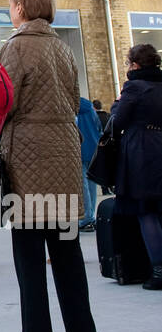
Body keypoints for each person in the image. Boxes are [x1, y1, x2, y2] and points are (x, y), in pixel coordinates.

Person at [0, 0, 97, 332]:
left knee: (29, 256)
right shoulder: (62, 48)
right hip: (64, 154)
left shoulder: (17, 47)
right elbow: (74, 102)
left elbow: (5, 103)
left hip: (27, 159)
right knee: (68, 252)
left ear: (20, 7)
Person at [109, 43, 162, 290]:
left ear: (135, 64)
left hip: (142, 153)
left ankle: (159, 271)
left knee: (146, 211)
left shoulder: (134, 87)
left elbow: (118, 121)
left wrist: (117, 104)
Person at [76, 97, 102, 233]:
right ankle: (90, 215)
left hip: (79, 148)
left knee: (82, 183)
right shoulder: (90, 108)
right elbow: (98, 127)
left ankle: (86, 218)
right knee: (91, 182)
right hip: (93, 148)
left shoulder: (73, 107)